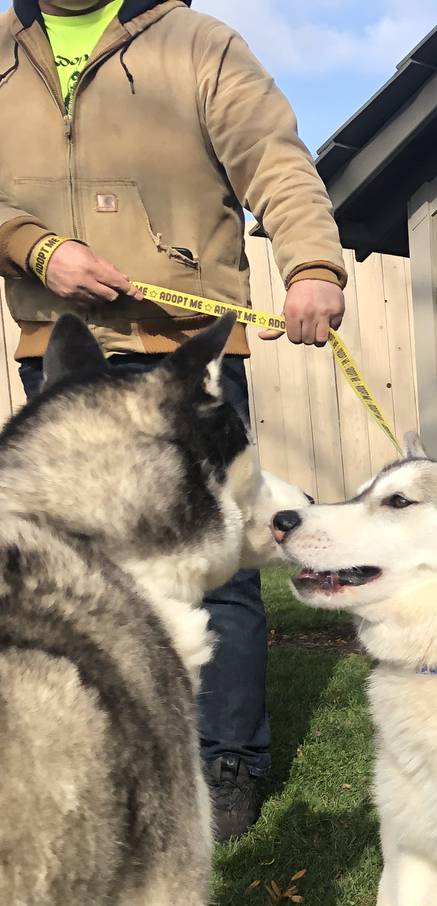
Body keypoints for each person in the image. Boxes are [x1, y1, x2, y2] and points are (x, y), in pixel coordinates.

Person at [0, 0, 347, 839]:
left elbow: (275, 160)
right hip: (60, 356)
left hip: (187, 355)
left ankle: (226, 758)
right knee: (68, 571)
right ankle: (100, 751)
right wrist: (38, 250)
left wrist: (310, 265)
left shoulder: (200, 45)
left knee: (216, 560)